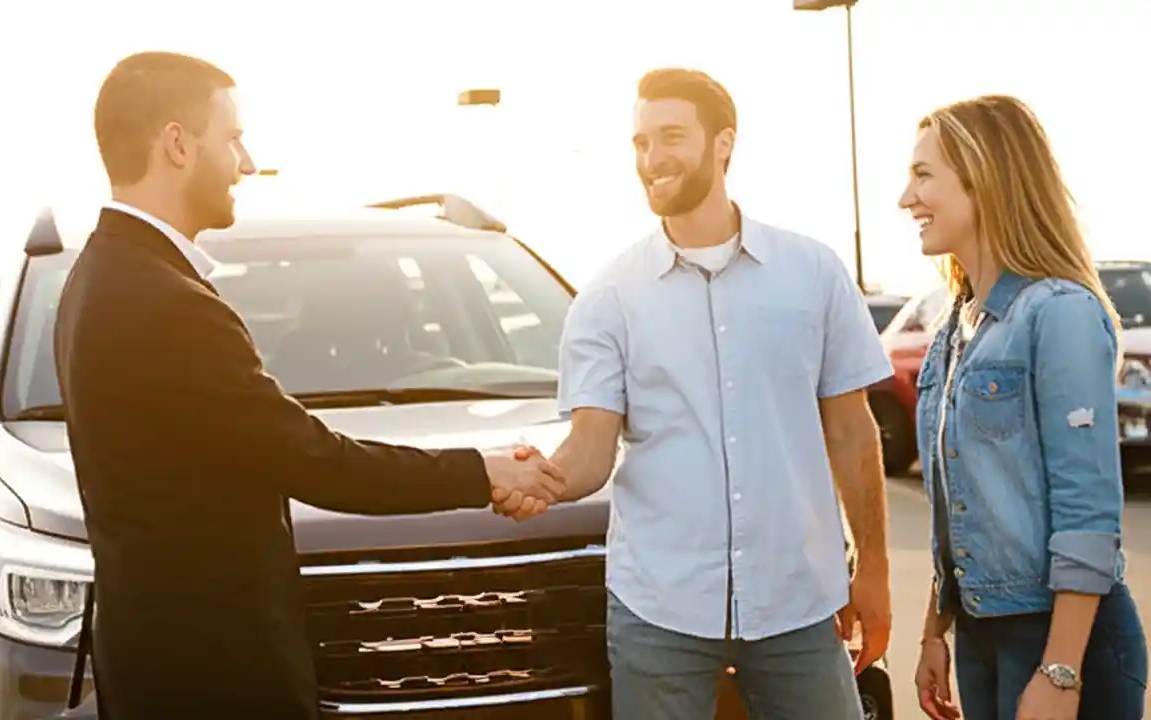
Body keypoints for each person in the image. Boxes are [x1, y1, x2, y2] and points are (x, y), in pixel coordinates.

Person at [53, 51, 564, 720]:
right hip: (211, 676)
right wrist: (484, 471)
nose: (246, 161)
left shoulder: (97, 275)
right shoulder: (161, 300)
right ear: (177, 143)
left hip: (157, 660)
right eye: (232, 137)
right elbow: (315, 461)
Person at [511, 67, 894, 719]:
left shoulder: (813, 272)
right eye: (639, 142)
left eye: (670, 137)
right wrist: (538, 480)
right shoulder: (607, 298)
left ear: (723, 143)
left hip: (798, 599)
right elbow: (591, 448)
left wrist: (876, 570)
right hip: (659, 608)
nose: (651, 159)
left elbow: (852, 433)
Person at [901, 94, 1148, 720]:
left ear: (984, 177)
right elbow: (957, 504)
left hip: (1063, 640)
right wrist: (937, 627)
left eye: (924, 175)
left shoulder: (1057, 312)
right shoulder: (955, 328)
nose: (907, 199)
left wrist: (1060, 672)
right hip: (982, 632)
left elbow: (1088, 506)